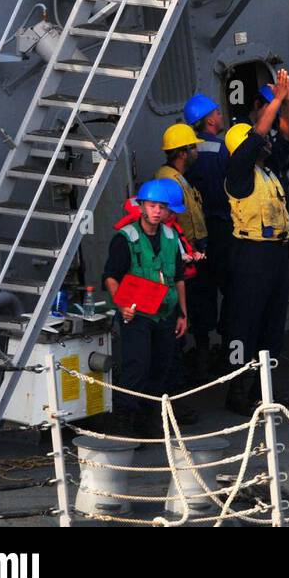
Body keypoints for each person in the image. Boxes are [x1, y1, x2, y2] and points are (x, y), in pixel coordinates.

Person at [222, 68, 289, 415]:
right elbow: (257, 136)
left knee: (271, 323)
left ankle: (266, 387)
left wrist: (287, 103)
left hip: (274, 255)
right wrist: (277, 99)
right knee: (245, 322)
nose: (268, 143)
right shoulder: (238, 174)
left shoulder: (268, 169)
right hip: (251, 255)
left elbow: (288, 136)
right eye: (260, 140)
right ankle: (238, 390)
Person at [102, 180, 189, 438]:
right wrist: (122, 304)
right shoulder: (125, 239)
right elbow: (110, 277)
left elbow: (180, 278)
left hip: (165, 314)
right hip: (137, 315)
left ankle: (148, 423)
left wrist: (183, 314)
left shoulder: (172, 238)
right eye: (152, 206)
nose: (157, 212)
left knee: (160, 369)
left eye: (162, 207)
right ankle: (124, 425)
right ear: (141, 207)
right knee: (136, 367)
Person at [156, 122, 216, 380]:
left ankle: (200, 362)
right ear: (182, 152)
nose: (196, 152)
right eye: (193, 147)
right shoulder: (167, 180)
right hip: (181, 259)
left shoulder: (178, 178)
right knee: (185, 311)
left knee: (200, 309)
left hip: (193, 255)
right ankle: (184, 373)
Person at [183, 91, 231, 371]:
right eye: (217, 111)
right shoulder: (222, 149)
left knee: (201, 291)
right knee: (231, 288)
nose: (220, 115)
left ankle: (201, 351)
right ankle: (228, 349)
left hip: (195, 235)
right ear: (209, 119)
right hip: (223, 229)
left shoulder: (187, 151)